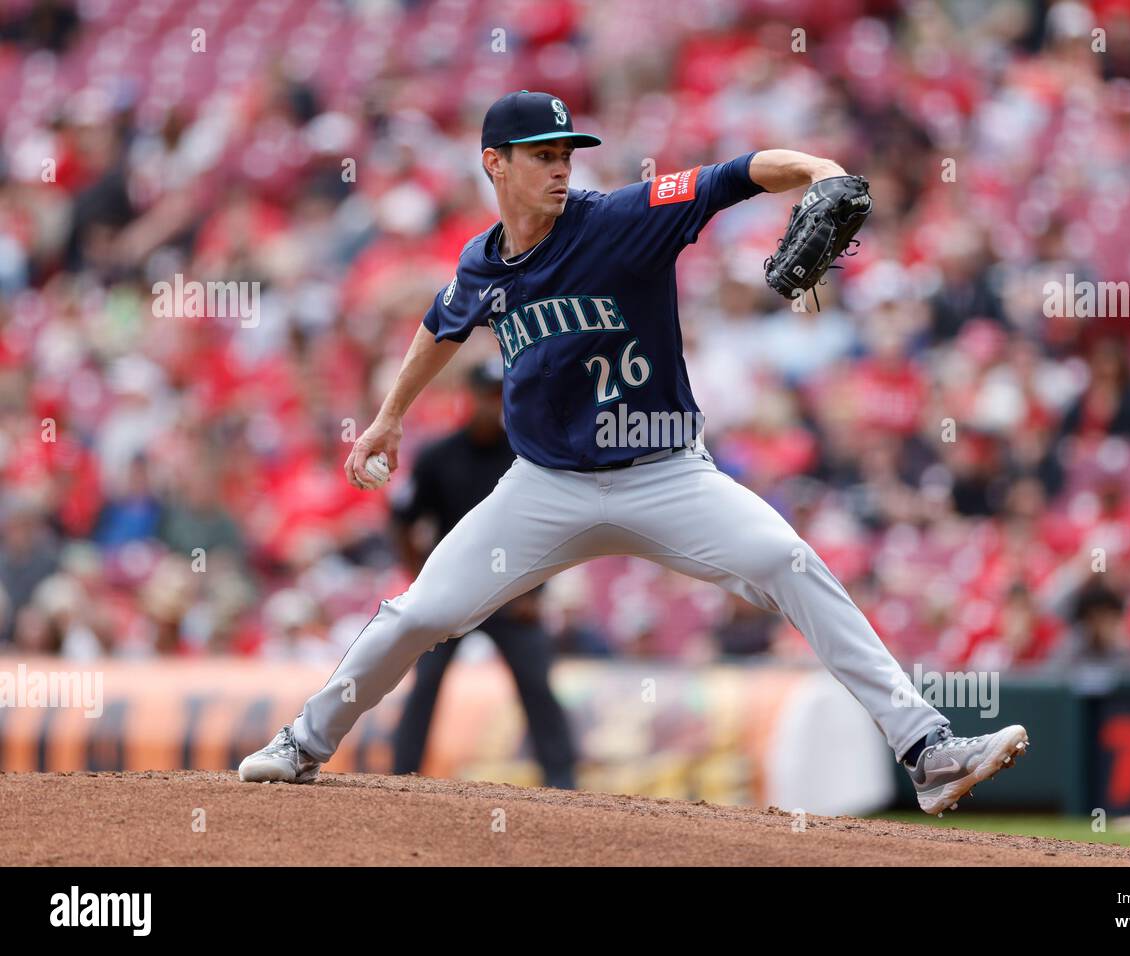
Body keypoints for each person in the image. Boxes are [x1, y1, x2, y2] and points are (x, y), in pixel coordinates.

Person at [239, 90, 1029, 814]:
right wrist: (387, 418)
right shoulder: (483, 262)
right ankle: (302, 743)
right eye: (542, 154)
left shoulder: (620, 218)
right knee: (420, 613)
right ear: (494, 164)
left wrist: (820, 168)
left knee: (788, 562)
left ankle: (926, 750)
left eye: (565, 154)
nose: (559, 168)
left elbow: (735, 174)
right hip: (545, 487)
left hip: (666, 474)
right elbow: (442, 321)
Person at [388, 360, 576, 788]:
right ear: (469, 397)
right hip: (453, 592)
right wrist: (422, 580)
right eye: (486, 394)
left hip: (511, 593)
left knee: (536, 682)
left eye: (500, 394)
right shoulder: (439, 456)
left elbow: (555, 529)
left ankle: (564, 783)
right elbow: (401, 519)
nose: (493, 404)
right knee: (426, 683)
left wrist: (536, 592)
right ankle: (399, 777)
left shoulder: (528, 455)